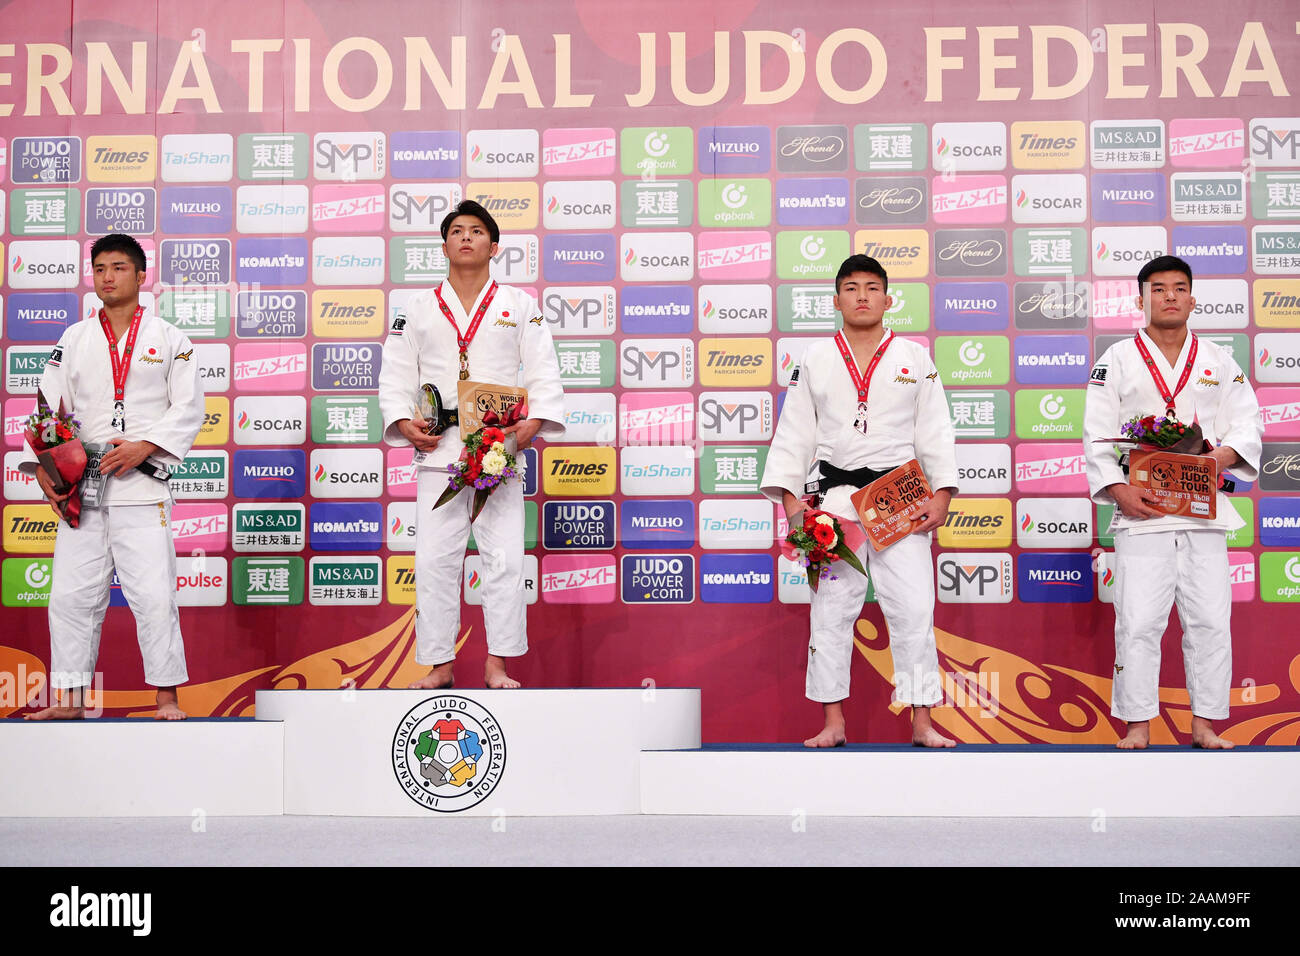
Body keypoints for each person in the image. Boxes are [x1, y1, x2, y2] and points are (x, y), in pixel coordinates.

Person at [760, 254, 959, 748]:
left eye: (872, 287)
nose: (863, 296)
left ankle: (922, 722)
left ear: (889, 299)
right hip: (835, 503)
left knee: (913, 610)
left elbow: (935, 429)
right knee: (831, 611)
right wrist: (792, 507)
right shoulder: (815, 358)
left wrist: (944, 493)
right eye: (851, 288)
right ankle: (833, 722)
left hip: (900, 499)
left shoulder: (915, 356)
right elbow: (794, 433)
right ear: (836, 301)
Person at [379, 200, 565, 689]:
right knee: (435, 562)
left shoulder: (519, 305)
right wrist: (402, 423)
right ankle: (440, 664)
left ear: (493, 246)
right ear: (444, 246)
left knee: (502, 559)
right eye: (457, 231)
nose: (466, 238)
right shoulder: (417, 309)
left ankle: (497, 663)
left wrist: (529, 428)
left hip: (499, 456)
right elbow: (396, 376)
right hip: (439, 455)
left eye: (477, 231)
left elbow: (544, 371)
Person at [20, 233, 204, 720]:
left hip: (142, 487)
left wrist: (147, 445)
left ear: (141, 276)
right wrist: (45, 469)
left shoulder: (170, 339)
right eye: (100, 268)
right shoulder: (73, 339)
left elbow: (188, 409)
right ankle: (71, 699)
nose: (108, 277)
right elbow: (47, 410)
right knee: (69, 596)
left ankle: (166, 696)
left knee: (153, 595)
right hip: (82, 490)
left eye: (119, 268)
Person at [1083, 254, 1262, 750]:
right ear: (1141, 299)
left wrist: (1225, 455)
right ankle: (1137, 724)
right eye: (1158, 288)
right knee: (1139, 620)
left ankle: (1205, 724)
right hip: (1143, 512)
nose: (1169, 296)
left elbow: (1248, 422)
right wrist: (1119, 490)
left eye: (1178, 288)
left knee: (1208, 619)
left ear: (1192, 298)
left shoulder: (1218, 360)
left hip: (1203, 514)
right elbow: (1096, 432)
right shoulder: (1115, 359)